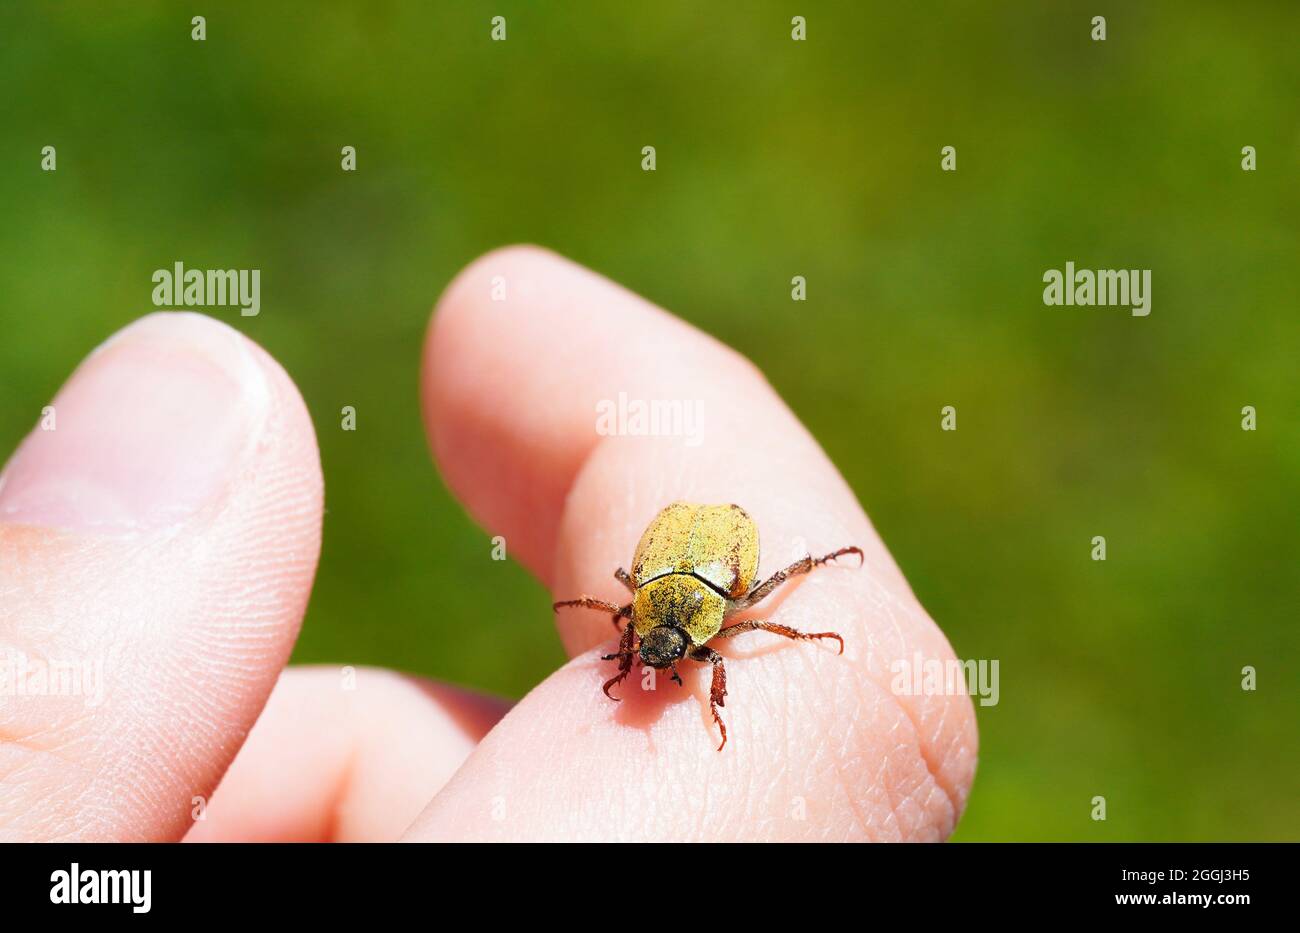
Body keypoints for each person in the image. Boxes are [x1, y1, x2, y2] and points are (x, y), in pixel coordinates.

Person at [0, 247, 977, 842]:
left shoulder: (713, 619)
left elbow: (709, 624)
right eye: (653, 649)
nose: (655, 663)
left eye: (662, 654)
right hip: (684, 549)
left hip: (700, 546)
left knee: (787, 612)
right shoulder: (656, 616)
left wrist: (767, 642)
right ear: (646, 625)